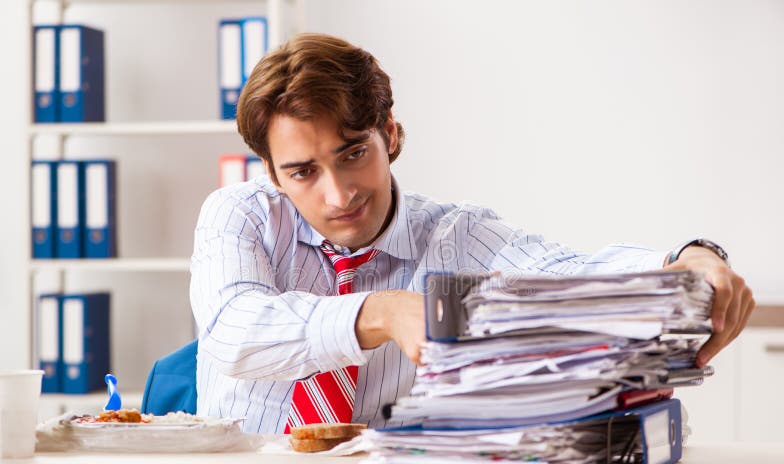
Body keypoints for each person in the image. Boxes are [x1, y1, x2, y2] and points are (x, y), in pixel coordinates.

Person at [190, 33, 754, 434]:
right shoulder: (239, 214)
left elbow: (564, 272)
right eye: (303, 172)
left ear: (388, 132)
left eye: (354, 153)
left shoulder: (454, 236)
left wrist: (692, 259)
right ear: (271, 173)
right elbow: (231, 331)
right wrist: (378, 311)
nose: (338, 195)